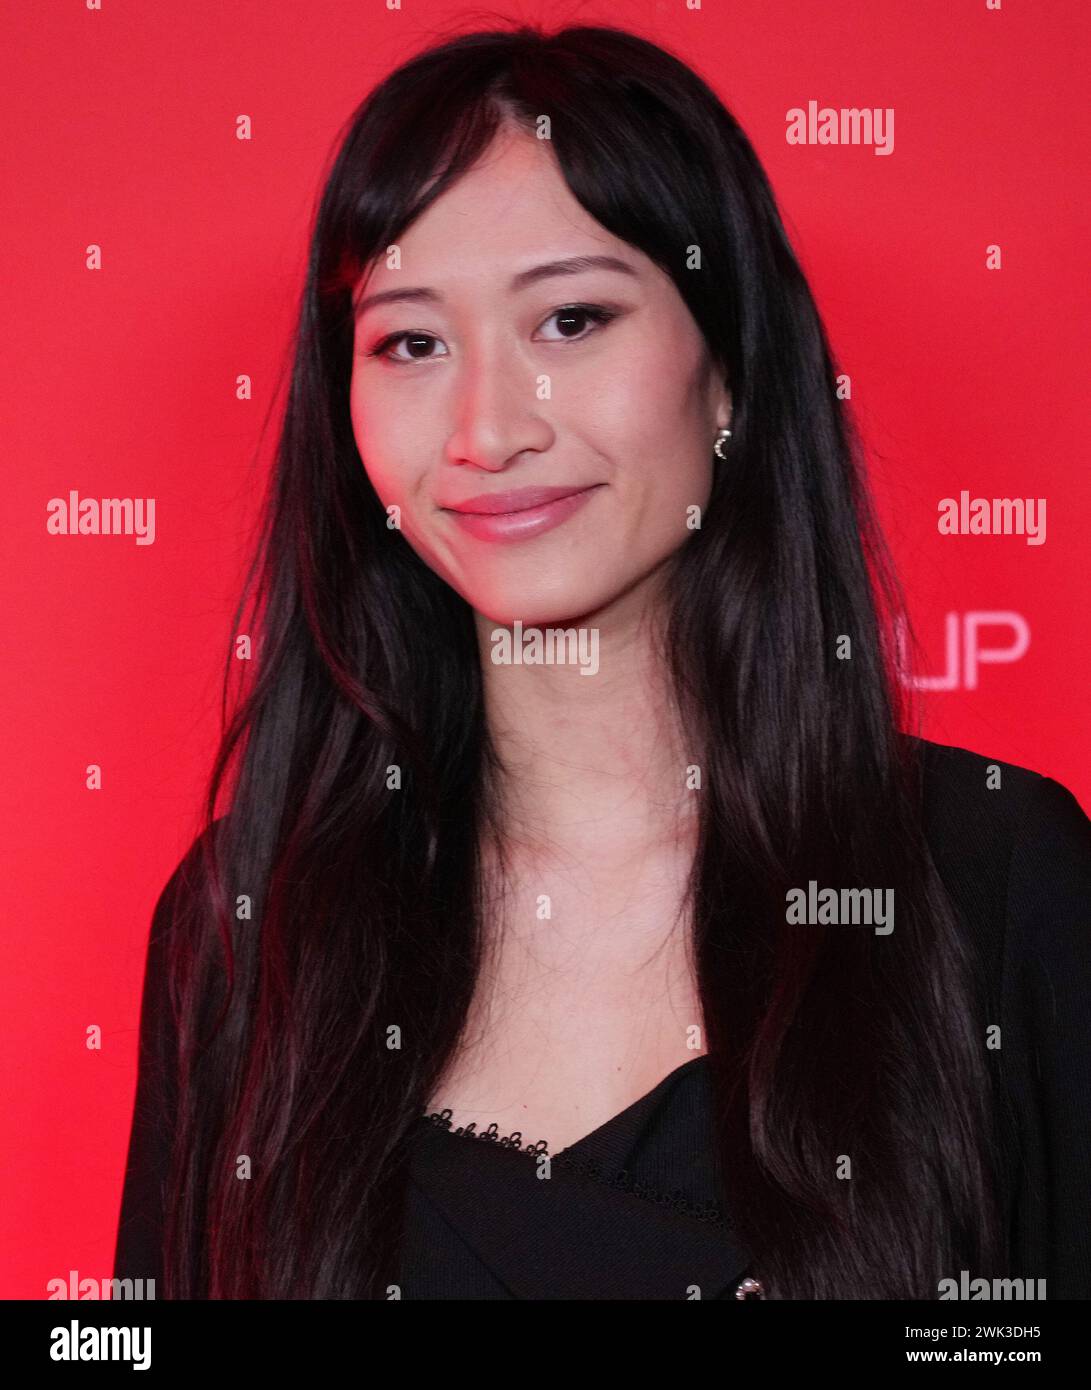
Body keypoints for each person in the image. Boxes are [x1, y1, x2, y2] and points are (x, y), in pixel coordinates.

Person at [113, 23, 1091, 1300]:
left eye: (570, 319)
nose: (486, 430)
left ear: (729, 369)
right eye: (411, 342)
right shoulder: (246, 927)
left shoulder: (988, 878)